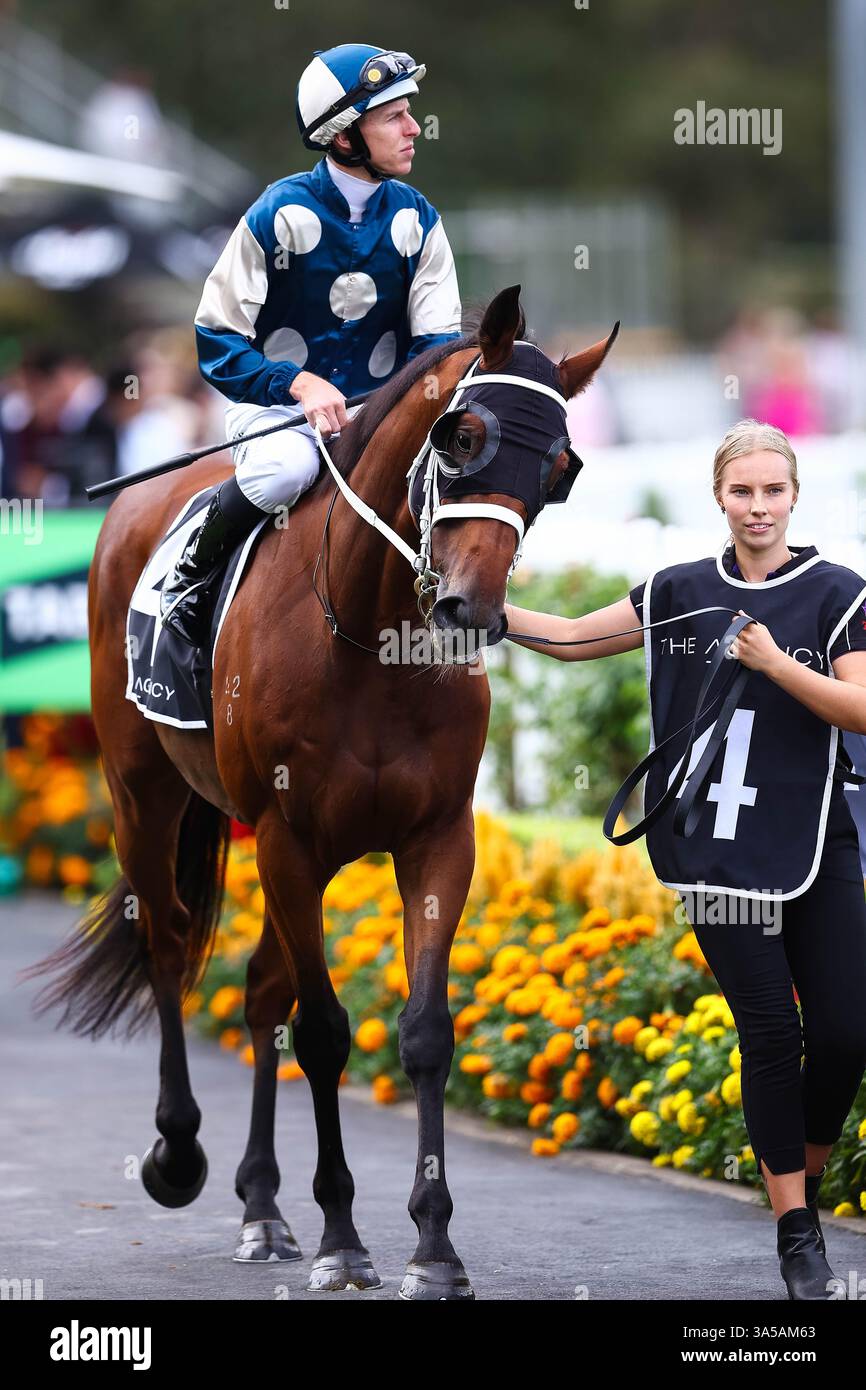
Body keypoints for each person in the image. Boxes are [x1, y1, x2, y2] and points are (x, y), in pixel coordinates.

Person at [505, 419, 866, 1300]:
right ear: (719, 497)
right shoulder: (677, 588)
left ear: (793, 496)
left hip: (821, 840)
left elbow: (860, 710)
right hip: (714, 855)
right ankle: (794, 1230)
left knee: (848, 1033)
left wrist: (777, 664)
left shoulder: (837, 592)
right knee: (772, 1033)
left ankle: (802, 1191)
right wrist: (482, 608)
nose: (757, 507)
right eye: (741, 491)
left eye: (771, 491)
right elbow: (574, 637)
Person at [160, 43, 462, 645]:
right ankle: (189, 577)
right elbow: (216, 337)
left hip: (379, 420)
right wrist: (295, 384)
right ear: (345, 136)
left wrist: (390, 411)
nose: (413, 129)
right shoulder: (274, 214)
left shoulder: (421, 221)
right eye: (392, 116)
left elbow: (438, 350)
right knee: (283, 470)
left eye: (410, 112)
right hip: (277, 415)